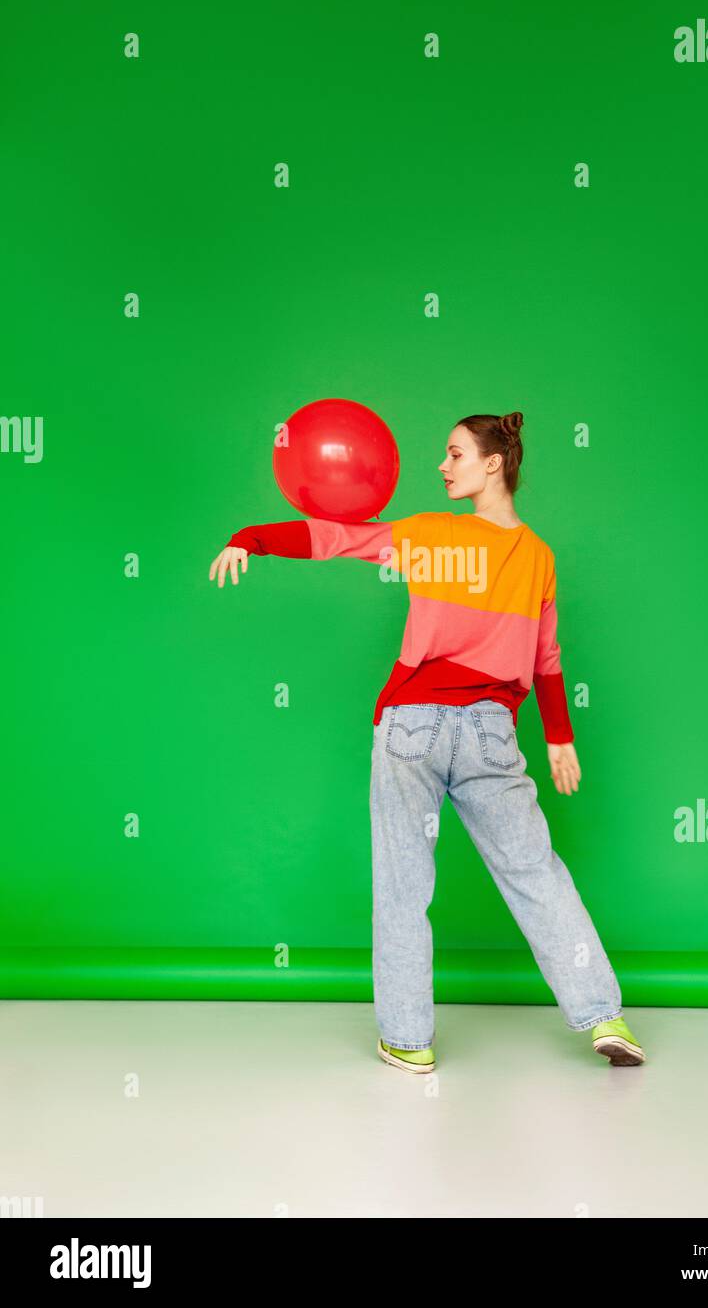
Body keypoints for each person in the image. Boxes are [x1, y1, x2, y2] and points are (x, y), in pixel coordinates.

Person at [209, 411, 645, 1070]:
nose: (441, 466)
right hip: (492, 735)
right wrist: (559, 738)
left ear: (494, 462)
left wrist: (250, 539)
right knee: (535, 874)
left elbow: (334, 539)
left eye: (455, 454)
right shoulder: (538, 557)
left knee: (402, 887)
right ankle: (604, 1016)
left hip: (413, 726)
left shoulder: (431, 535)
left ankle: (408, 1041)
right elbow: (547, 661)